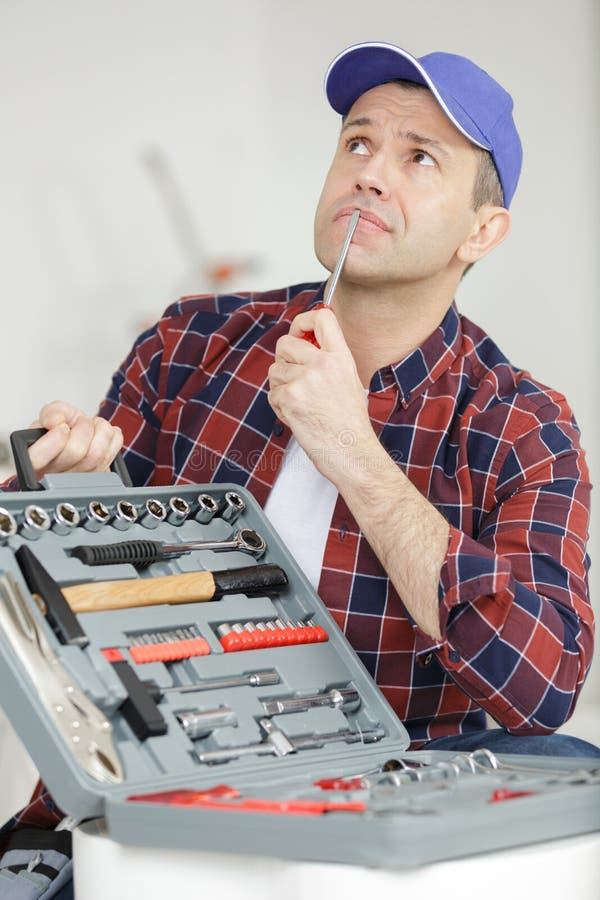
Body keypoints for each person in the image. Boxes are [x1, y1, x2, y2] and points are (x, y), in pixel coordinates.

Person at [4, 41, 600, 768]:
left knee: (573, 767)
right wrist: (51, 497)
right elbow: (65, 607)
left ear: (482, 231)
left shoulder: (520, 424)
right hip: (166, 773)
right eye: (358, 142)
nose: (370, 175)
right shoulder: (188, 342)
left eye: (419, 158)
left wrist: (351, 449)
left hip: (389, 801)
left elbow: (540, 688)